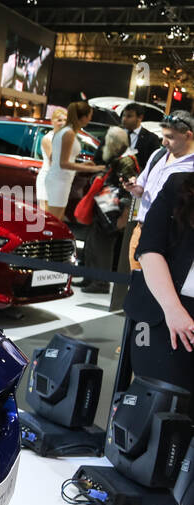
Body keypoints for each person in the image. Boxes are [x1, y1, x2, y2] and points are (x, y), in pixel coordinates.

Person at [125, 173, 194, 393]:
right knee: (159, 407)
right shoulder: (179, 185)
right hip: (162, 314)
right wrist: (173, 310)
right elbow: (148, 250)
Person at [125, 110, 194, 267]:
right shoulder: (158, 155)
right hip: (141, 230)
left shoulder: (191, 166)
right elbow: (141, 189)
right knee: (135, 285)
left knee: (157, 287)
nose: (164, 142)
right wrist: (133, 187)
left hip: (170, 236)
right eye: (163, 136)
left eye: (170, 137)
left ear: (188, 135)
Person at [77, 126, 138, 294]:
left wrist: (124, 215)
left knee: (102, 246)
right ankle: (90, 277)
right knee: (93, 244)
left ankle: (100, 282)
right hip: (105, 208)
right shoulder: (118, 158)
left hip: (112, 211)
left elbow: (130, 189)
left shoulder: (125, 161)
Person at [41, 99, 105, 220]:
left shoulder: (63, 131)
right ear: (83, 117)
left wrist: (84, 164)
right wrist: (92, 168)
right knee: (54, 220)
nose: (90, 119)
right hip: (59, 180)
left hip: (60, 179)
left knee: (55, 219)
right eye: (89, 116)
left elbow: (61, 158)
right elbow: (63, 163)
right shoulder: (68, 133)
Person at [35, 106, 68, 213]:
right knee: (46, 216)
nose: (63, 123)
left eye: (65, 120)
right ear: (52, 121)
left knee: (56, 218)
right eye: (59, 120)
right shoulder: (48, 139)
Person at [121, 103, 161, 168]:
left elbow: (153, 164)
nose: (124, 119)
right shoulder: (115, 133)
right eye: (123, 115)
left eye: (129, 116)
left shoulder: (151, 139)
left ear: (140, 118)